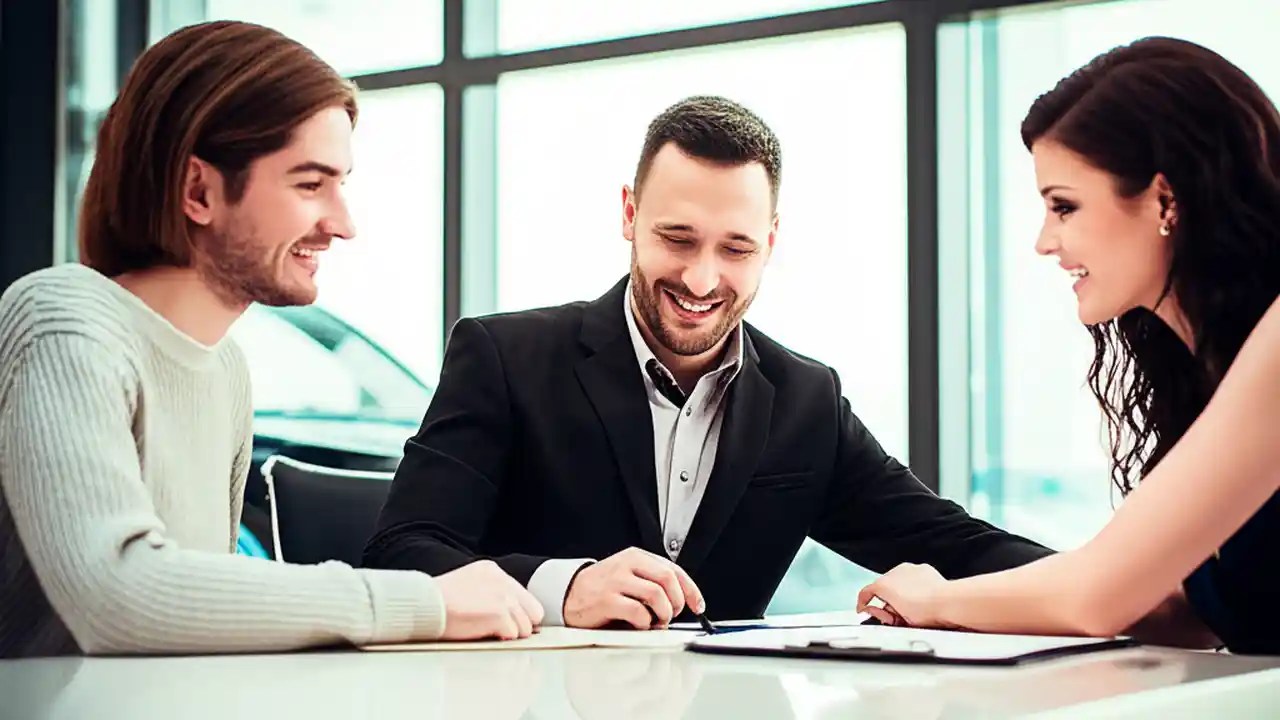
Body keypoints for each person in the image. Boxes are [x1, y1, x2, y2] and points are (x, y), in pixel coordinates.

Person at [363, 95, 1053, 629]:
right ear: (630, 213)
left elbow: (954, 543)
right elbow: (403, 551)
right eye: (678, 238)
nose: (701, 279)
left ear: (772, 242)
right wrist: (564, 587)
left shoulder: (806, 400)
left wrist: (1127, 592)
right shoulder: (505, 357)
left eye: (735, 249)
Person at [0, 20, 541, 659]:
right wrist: (423, 602)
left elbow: (211, 614)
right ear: (197, 190)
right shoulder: (64, 318)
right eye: (310, 184)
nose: (342, 223)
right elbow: (119, 595)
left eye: (341, 184)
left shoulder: (226, 370)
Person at [857, 37, 1280, 655]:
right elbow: (1180, 605)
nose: (1044, 241)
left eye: (1064, 206)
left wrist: (937, 599)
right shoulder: (1217, 371)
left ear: (1165, 200)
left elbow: (1099, 597)